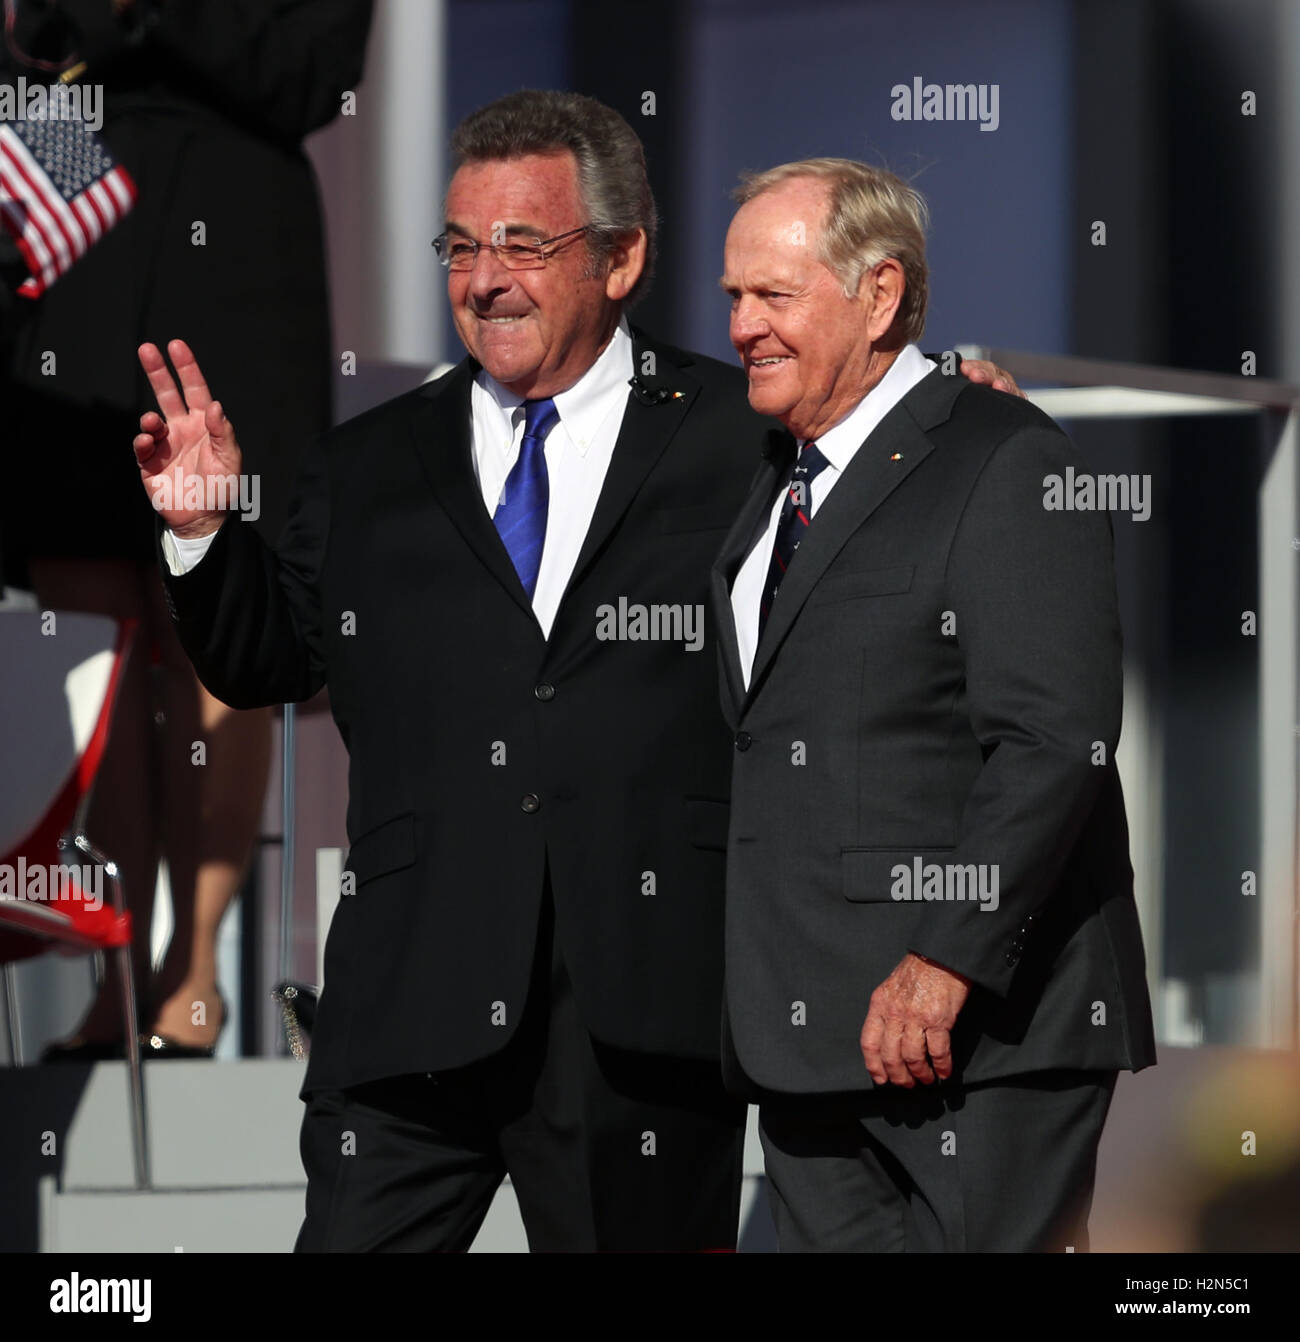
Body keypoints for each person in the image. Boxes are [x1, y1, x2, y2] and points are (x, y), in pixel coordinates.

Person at [134, 92, 1018, 1251]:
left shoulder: (740, 428)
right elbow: (264, 658)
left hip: (643, 1004)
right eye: (460, 246)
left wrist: (952, 409)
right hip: (410, 1001)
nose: (484, 277)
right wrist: (202, 535)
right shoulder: (368, 461)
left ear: (621, 256)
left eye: (522, 244)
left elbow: (874, 455)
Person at [713, 157, 1157, 1252]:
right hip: (803, 1036)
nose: (742, 326)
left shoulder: (1006, 458)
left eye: (774, 295)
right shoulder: (770, 478)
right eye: (731, 297)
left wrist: (946, 958)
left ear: (877, 295)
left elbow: (1053, 741)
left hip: (980, 1044)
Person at [3, 0, 374, 1059]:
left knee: (214, 596)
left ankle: (193, 970)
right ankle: (114, 973)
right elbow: (29, 59)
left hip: (238, 237)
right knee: (94, 621)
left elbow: (312, 76)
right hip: (73, 211)